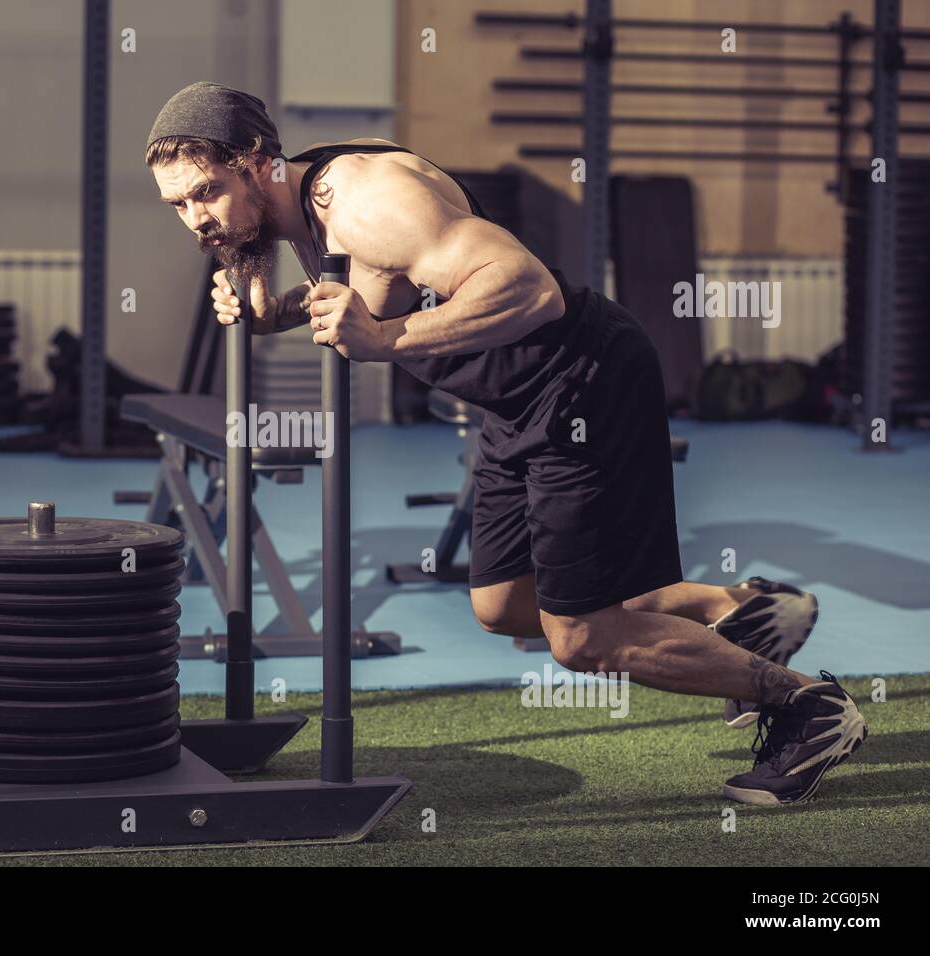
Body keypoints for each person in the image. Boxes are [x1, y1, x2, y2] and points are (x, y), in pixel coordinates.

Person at [145, 81, 867, 805]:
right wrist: (271, 311)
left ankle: (805, 705)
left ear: (255, 159)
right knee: (503, 605)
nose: (192, 220)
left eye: (204, 194)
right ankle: (737, 610)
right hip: (515, 402)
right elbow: (376, 288)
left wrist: (384, 340)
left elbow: (526, 289)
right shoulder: (299, 208)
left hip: (582, 380)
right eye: (177, 205)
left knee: (579, 638)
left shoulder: (364, 199)